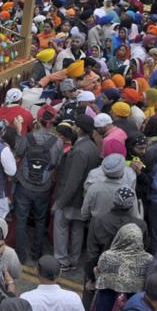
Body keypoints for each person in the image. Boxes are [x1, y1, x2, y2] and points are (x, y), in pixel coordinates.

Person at [14, 105, 63, 264]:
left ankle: (20, 254)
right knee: (41, 220)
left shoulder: (28, 137)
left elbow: (19, 153)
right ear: (52, 122)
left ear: (38, 119)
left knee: (21, 219)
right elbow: (57, 163)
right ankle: (37, 253)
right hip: (44, 187)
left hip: (24, 184)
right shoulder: (58, 142)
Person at [53, 114, 100, 271]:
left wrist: (60, 202)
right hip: (83, 198)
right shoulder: (92, 146)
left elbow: (73, 181)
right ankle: (73, 259)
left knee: (61, 228)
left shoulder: (80, 150)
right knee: (77, 229)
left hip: (72, 199)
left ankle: (62, 261)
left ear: (79, 129)